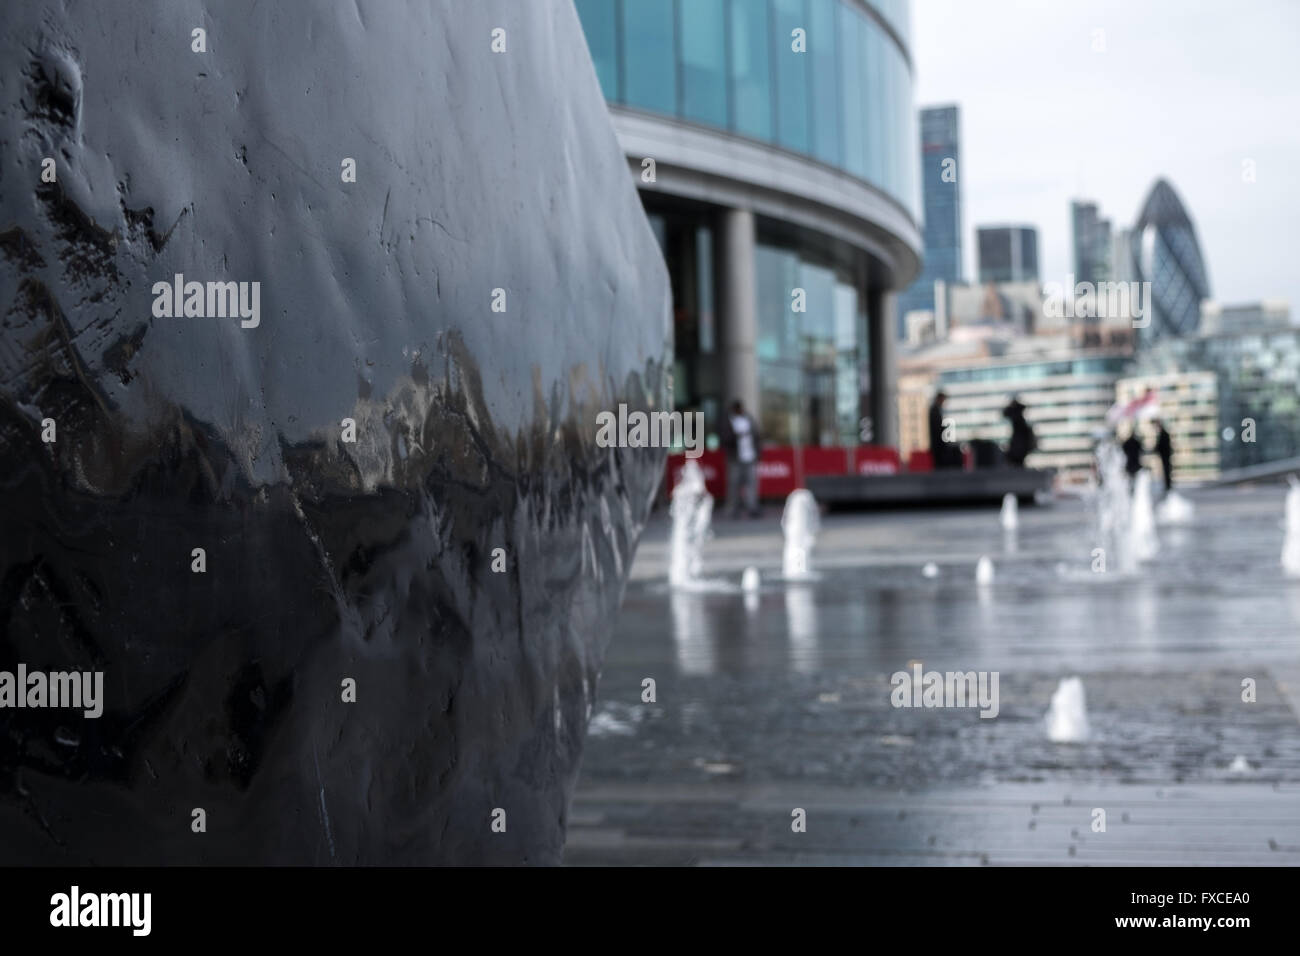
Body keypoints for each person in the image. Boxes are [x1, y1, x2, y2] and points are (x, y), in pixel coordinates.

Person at [719, 400, 761, 518]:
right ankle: (732, 509)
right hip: (735, 458)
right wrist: (736, 436)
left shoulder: (749, 419)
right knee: (733, 484)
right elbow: (725, 438)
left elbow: (756, 436)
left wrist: (758, 452)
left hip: (750, 456)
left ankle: (752, 507)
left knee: (752, 484)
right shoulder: (729, 421)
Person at [1002, 395, 1037, 468]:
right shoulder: (1016, 418)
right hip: (1018, 438)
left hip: (1020, 438)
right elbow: (1005, 413)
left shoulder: (1021, 424)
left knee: (1018, 455)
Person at [928, 391, 957, 469]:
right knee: (939, 466)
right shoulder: (934, 410)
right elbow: (937, 429)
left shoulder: (937, 410)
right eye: (943, 399)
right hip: (938, 445)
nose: (943, 402)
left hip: (939, 444)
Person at [1154, 419, 1174, 493]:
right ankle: (1167, 486)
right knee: (1166, 471)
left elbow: (1162, 446)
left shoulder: (1164, 434)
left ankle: (1168, 486)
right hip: (1165, 456)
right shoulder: (1163, 434)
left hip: (1166, 456)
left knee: (1167, 471)